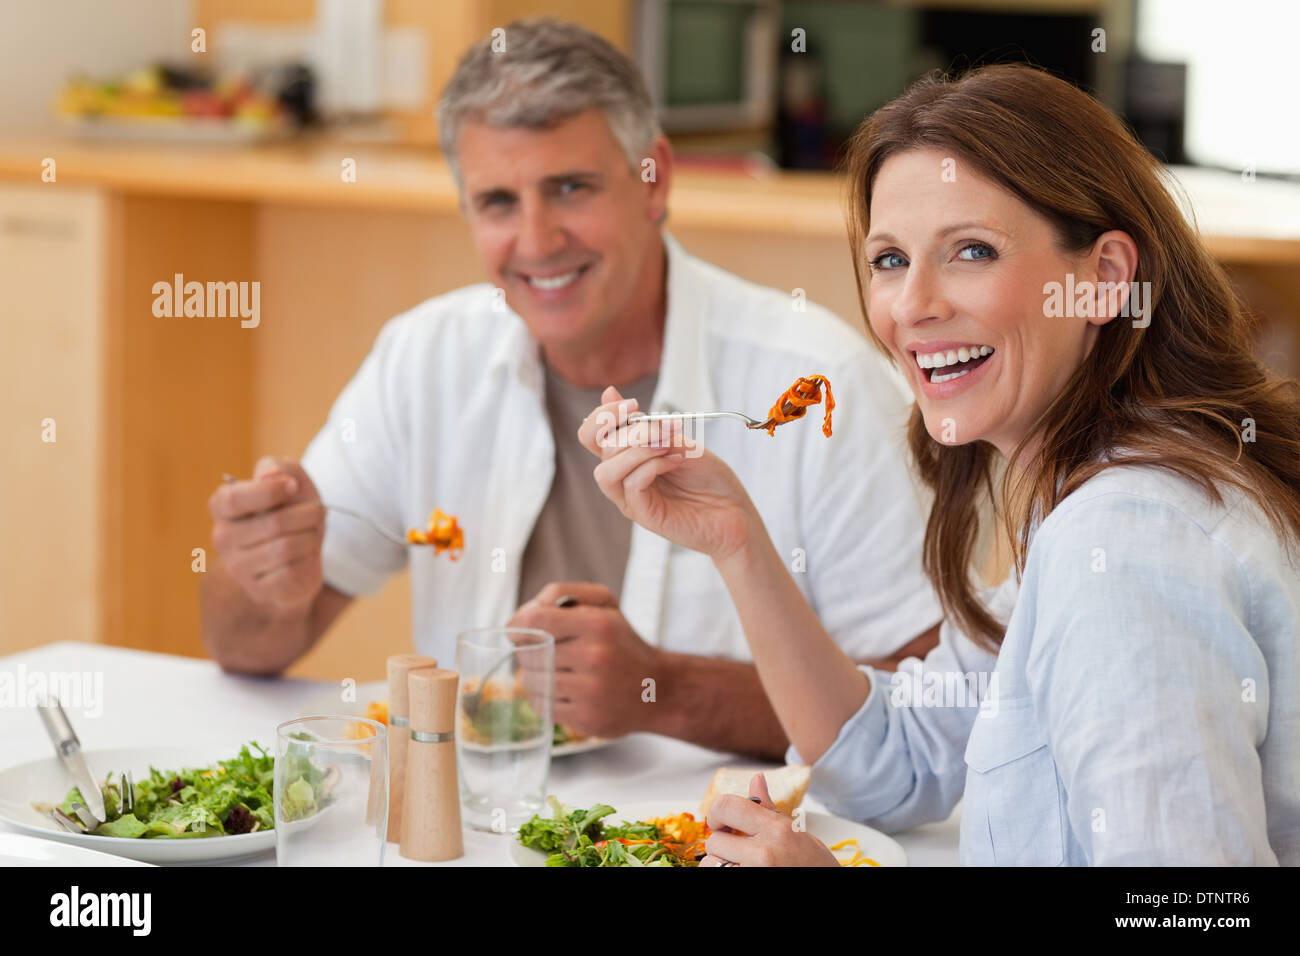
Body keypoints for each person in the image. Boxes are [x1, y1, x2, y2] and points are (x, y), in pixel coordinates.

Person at [579, 63, 1300, 864]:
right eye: (891, 260)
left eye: (971, 251)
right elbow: (893, 764)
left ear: (1103, 280)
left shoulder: (1127, 546)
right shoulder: (1085, 499)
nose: (914, 305)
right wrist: (737, 541)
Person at [199, 18, 942, 759]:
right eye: (497, 202)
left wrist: (665, 690)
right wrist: (263, 582)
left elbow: (928, 710)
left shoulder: (819, 386)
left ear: (655, 181)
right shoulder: (425, 359)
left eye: (570, 188)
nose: (537, 240)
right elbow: (246, 647)